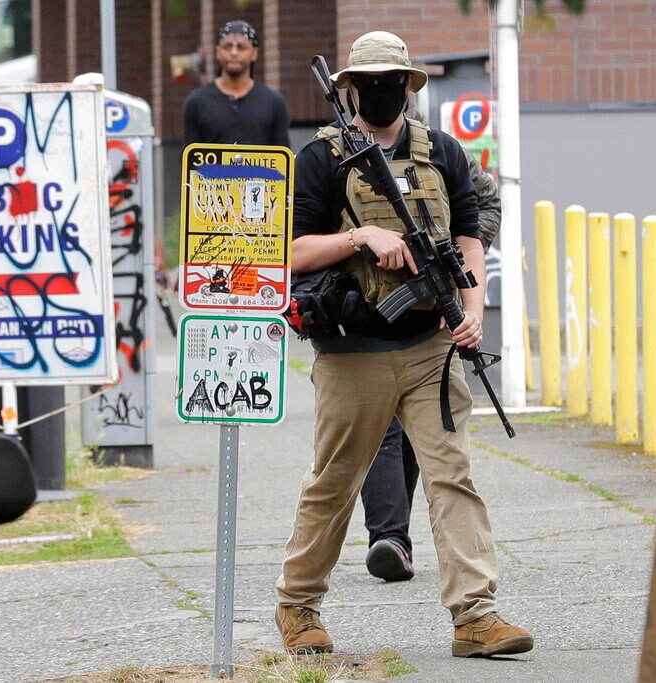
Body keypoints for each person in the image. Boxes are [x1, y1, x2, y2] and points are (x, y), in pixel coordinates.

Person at [274, 31, 533, 658]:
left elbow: (469, 236)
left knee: (453, 477)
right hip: (353, 349)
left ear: (408, 85)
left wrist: (472, 314)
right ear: (351, 88)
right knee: (335, 482)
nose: (385, 92)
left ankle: (476, 616)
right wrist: (360, 237)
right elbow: (289, 250)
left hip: (431, 347)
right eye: (374, 82)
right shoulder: (322, 157)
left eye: (396, 81)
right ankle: (298, 605)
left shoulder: (442, 150)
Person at [362, 151, 502, 583]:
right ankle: (390, 538)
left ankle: (456, 575)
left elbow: (484, 207)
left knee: (429, 441)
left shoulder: (439, 150)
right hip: (364, 308)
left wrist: (454, 276)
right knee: (381, 430)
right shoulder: (340, 151)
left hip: (430, 309)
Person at [182, 20, 290, 148]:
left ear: (254, 53)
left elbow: (283, 158)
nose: (233, 53)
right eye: (227, 46)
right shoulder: (196, 102)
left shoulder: (274, 102)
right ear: (218, 52)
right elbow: (188, 158)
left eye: (241, 47)